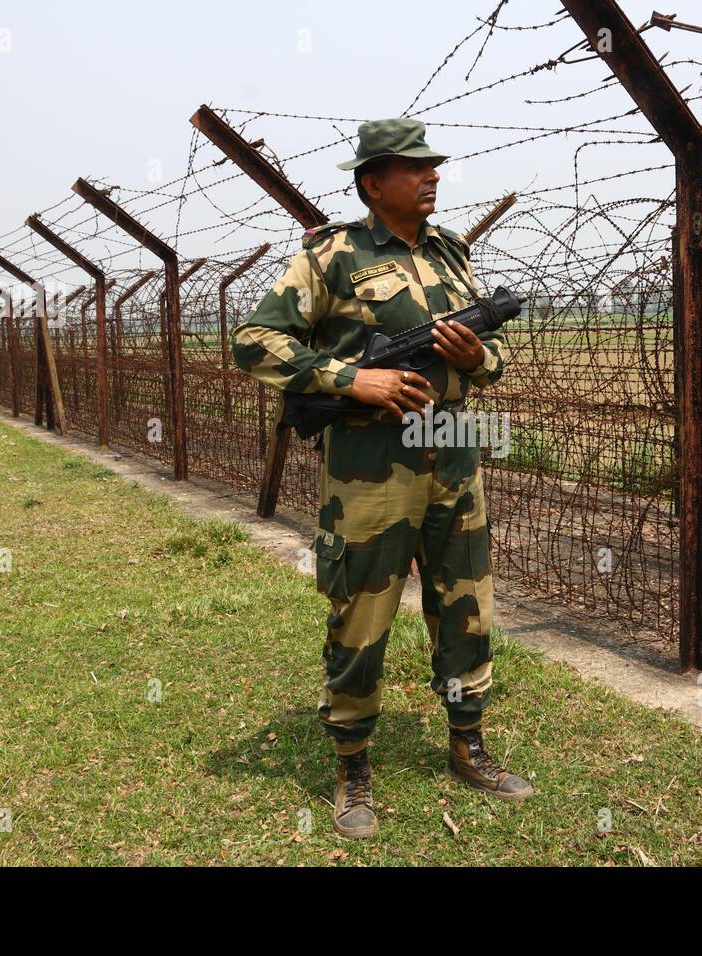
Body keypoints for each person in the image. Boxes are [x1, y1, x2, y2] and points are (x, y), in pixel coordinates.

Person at [230, 117, 533, 839]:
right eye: (413, 167)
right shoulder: (332, 254)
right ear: (373, 181)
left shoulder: (452, 250)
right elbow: (253, 339)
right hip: (369, 468)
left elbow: (492, 362)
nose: (432, 175)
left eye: (434, 166)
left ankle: (468, 743)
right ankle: (352, 767)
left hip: (454, 454)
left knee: (465, 608)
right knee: (361, 616)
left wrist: (471, 360)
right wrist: (350, 379)